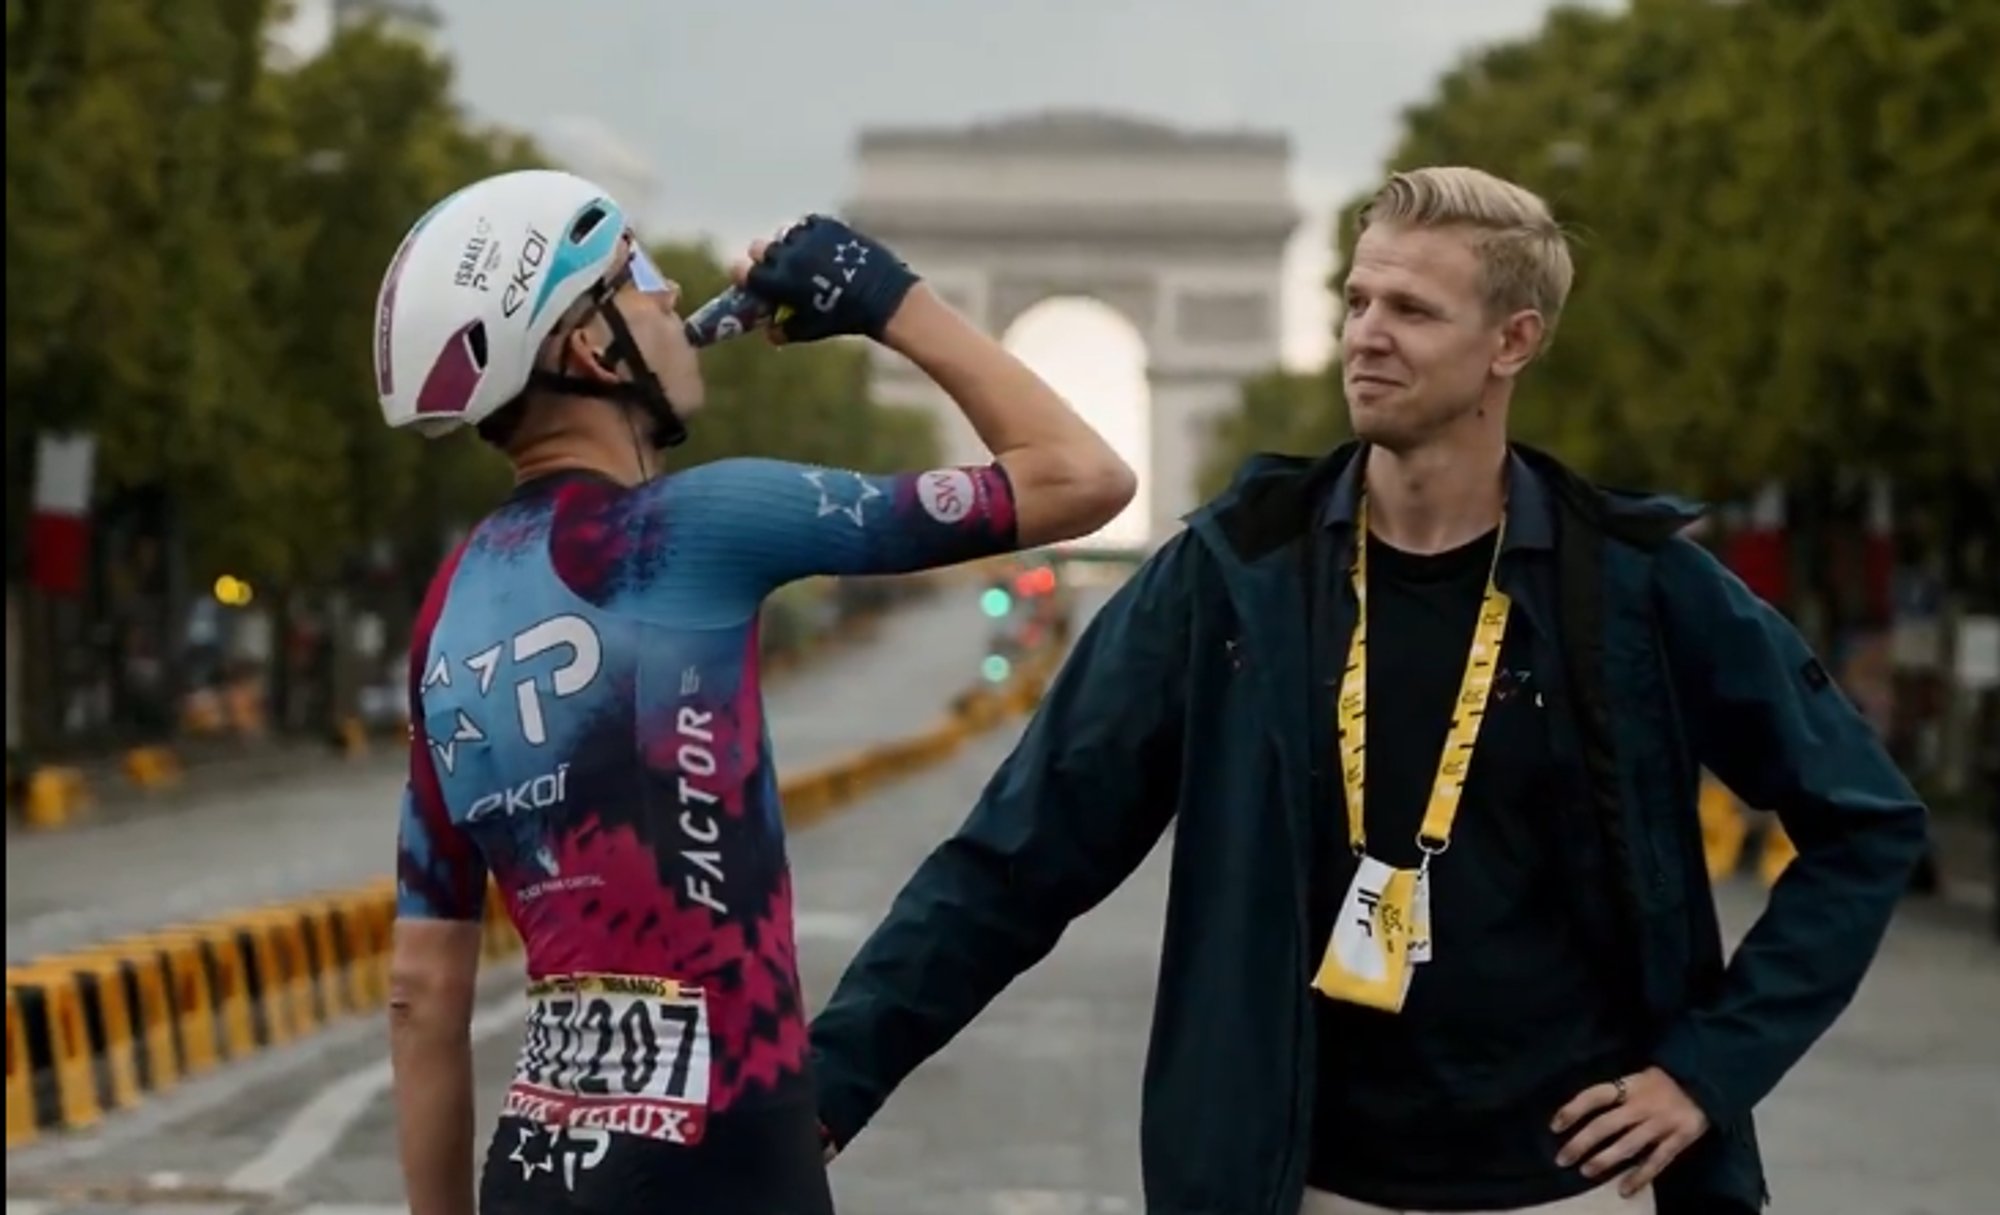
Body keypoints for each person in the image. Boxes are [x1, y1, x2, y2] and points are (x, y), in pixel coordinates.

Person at [807, 166, 1930, 1215]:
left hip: (1577, 1188)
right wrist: (823, 1086)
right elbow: (1015, 862)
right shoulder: (1229, 577)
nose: (1366, 337)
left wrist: (1706, 1073)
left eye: (1412, 311)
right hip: (1304, 1183)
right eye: (1356, 301)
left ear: (1512, 342)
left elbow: (1865, 825)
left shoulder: (1638, 585)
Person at [374, 168, 1134, 1215]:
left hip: (539, 1168)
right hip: (722, 1154)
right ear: (590, 350)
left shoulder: (447, 608)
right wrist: (887, 300)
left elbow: (421, 995)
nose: (669, 286)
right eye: (634, 272)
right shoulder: (701, 524)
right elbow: (1083, 477)